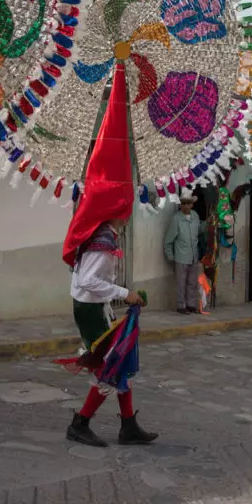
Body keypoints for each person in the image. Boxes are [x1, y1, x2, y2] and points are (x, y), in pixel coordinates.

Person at [61, 62, 157, 448]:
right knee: (110, 368)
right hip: (91, 307)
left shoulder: (98, 233)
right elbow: (88, 281)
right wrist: (125, 294)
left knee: (118, 366)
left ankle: (128, 424)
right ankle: (81, 422)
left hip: (90, 306)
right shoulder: (103, 239)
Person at [165, 190, 202, 314]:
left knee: (192, 282)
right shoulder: (176, 219)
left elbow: (200, 230)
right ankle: (181, 305)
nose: (186, 205)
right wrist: (170, 256)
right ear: (180, 204)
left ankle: (191, 305)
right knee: (181, 283)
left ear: (192, 204)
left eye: (188, 203)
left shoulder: (195, 216)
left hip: (193, 255)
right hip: (181, 256)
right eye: (184, 203)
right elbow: (168, 240)